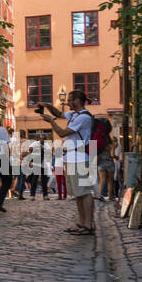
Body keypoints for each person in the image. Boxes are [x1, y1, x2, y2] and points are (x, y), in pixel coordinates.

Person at [36, 90, 95, 235]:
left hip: (80, 158)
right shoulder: (74, 115)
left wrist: (51, 122)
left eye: (70, 100)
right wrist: (49, 105)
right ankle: (82, 222)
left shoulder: (84, 117)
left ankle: (88, 224)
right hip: (71, 158)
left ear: (77, 101)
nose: (67, 102)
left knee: (84, 192)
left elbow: (62, 133)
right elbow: (59, 114)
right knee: (77, 194)